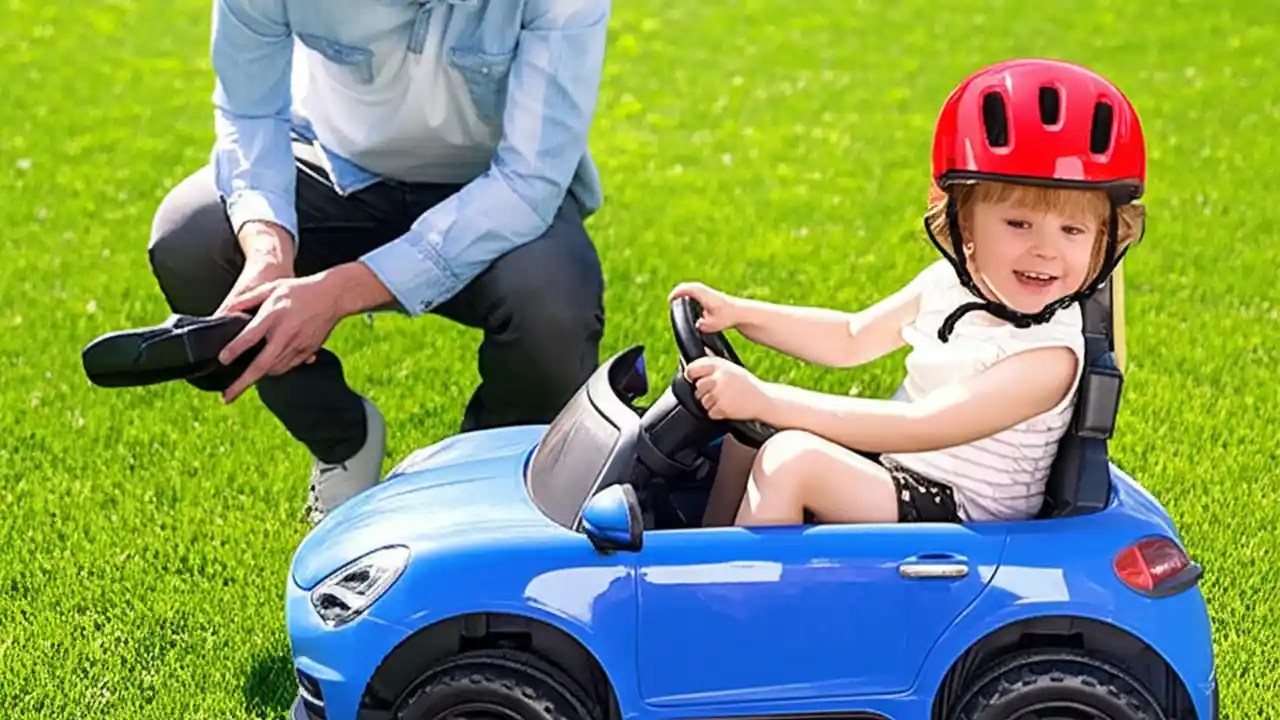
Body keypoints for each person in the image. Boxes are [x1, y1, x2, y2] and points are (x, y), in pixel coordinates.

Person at [145, 1, 612, 523]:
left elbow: (529, 183)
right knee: (191, 236)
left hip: (496, 191)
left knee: (552, 304)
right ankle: (342, 437)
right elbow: (249, 113)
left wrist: (341, 291)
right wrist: (267, 250)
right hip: (336, 170)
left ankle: (478, 495)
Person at [671, 58, 1148, 527]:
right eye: (1018, 223)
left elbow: (920, 425)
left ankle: (740, 599)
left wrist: (766, 398)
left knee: (794, 460)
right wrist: (739, 313)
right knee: (749, 434)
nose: (1045, 250)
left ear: (1103, 240)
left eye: (1072, 230)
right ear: (963, 222)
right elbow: (850, 337)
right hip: (904, 469)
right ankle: (695, 567)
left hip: (965, 517)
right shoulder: (947, 284)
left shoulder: (1049, 358)